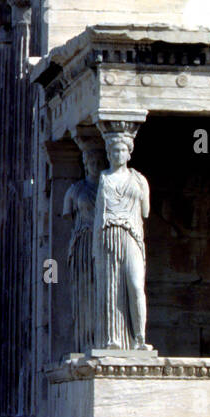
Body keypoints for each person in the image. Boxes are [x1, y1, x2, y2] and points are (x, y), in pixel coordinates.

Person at [93, 129, 150, 349]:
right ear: (109, 153)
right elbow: (99, 214)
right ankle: (113, 339)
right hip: (108, 235)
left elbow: (145, 212)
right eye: (114, 150)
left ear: (129, 153)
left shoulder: (139, 180)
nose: (118, 154)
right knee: (111, 288)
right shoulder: (104, 179)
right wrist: (95, 250)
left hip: (132, 235)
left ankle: (140, 338)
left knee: (136, 285)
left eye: (122, 150)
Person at [62, 135, 105, 353]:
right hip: (82, 244)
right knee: (84, 293)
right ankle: (85, 341)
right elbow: (69, 220)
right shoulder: (74, 191)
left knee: (105, 292)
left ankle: (106, 339)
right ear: (85, 164)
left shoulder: (109, 188)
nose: (94, 167)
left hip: (105, 243)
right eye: (91, 162)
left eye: (98, 162)